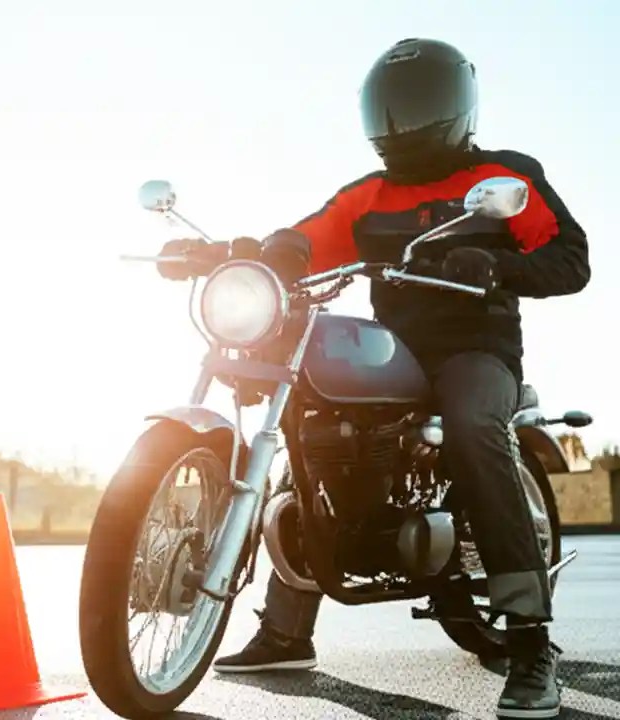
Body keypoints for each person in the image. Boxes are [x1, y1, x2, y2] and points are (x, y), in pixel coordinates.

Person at [157, 38, 589, 719]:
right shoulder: (369, 194)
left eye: (413, 107)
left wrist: (497, 267)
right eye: (388, 108)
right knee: (309, 420)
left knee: (476, 428)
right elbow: (301, 240)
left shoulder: (506, 178)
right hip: (393, 350)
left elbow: (569, 259)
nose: (399, 122)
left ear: (452, 106)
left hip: (476, 350)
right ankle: (286, 630)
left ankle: (530, 642)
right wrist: (239, 253)